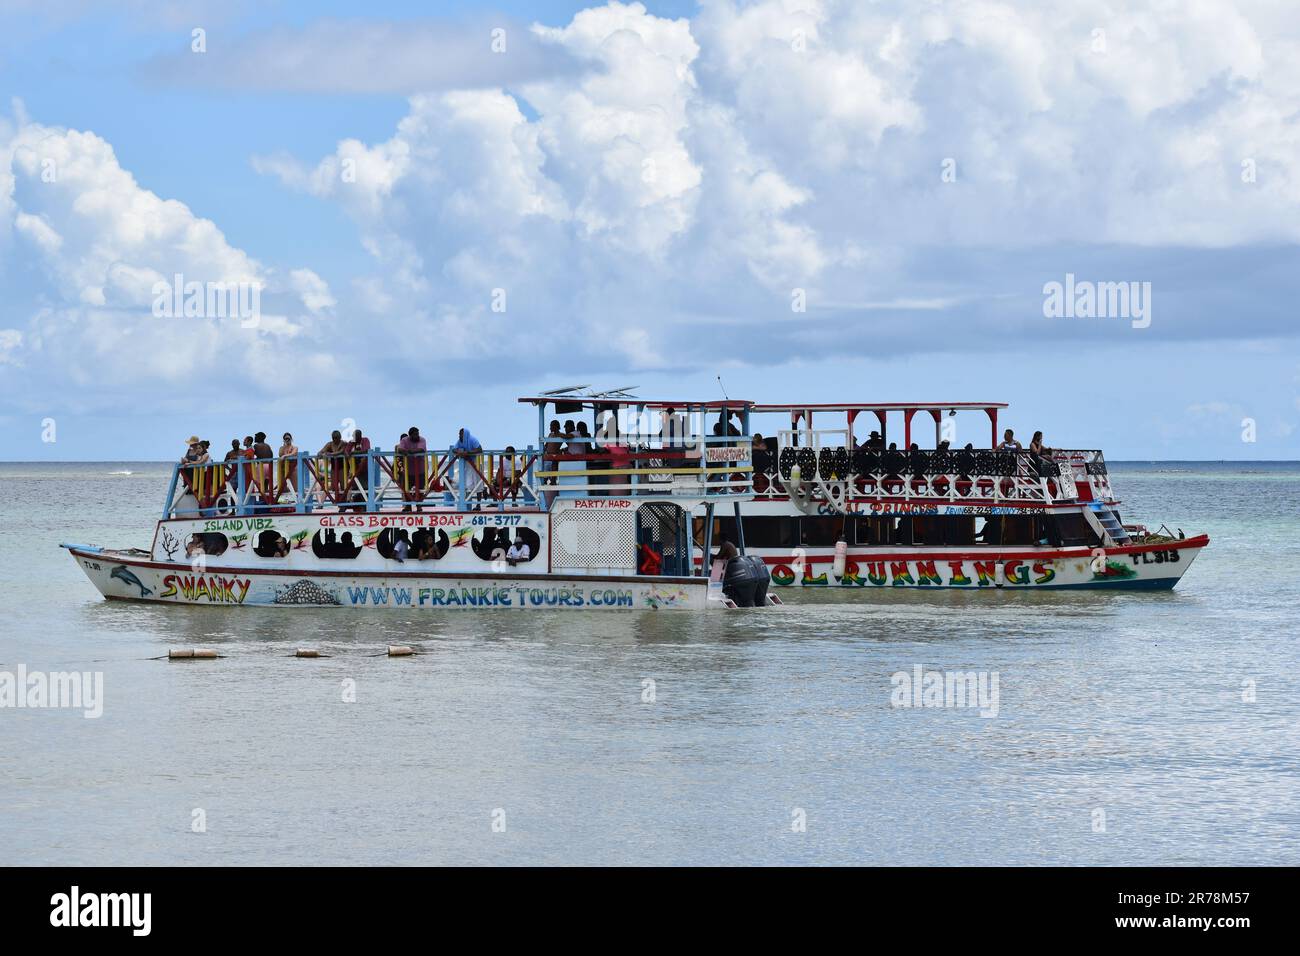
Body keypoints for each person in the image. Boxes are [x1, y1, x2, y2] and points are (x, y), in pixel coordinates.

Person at [397, 427, 427, 510]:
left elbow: (421, 449)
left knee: (420, 488)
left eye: (418, 434)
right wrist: (406, 452)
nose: (417, 436)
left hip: (420, 469)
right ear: (410, 436)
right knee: (407, 488)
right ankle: (408, 506)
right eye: (415, 434)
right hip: (408, 470)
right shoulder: (404, 440)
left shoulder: (422, 440)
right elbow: (399, 449)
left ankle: (419, 506)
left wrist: (410, 452)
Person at [277, 432, 299, 498]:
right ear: (283, 440)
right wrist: (285, 447)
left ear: (291, 439)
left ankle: (297, 501)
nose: (287, 440)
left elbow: (293, 453)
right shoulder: (281, 448)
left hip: (292, 469)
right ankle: (285, 502)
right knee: (282, 489)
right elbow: (280, 454)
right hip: (283, 469)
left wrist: (285, 455)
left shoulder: (295, 447)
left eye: (288, 439)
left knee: (295, 489)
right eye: (285, 439)